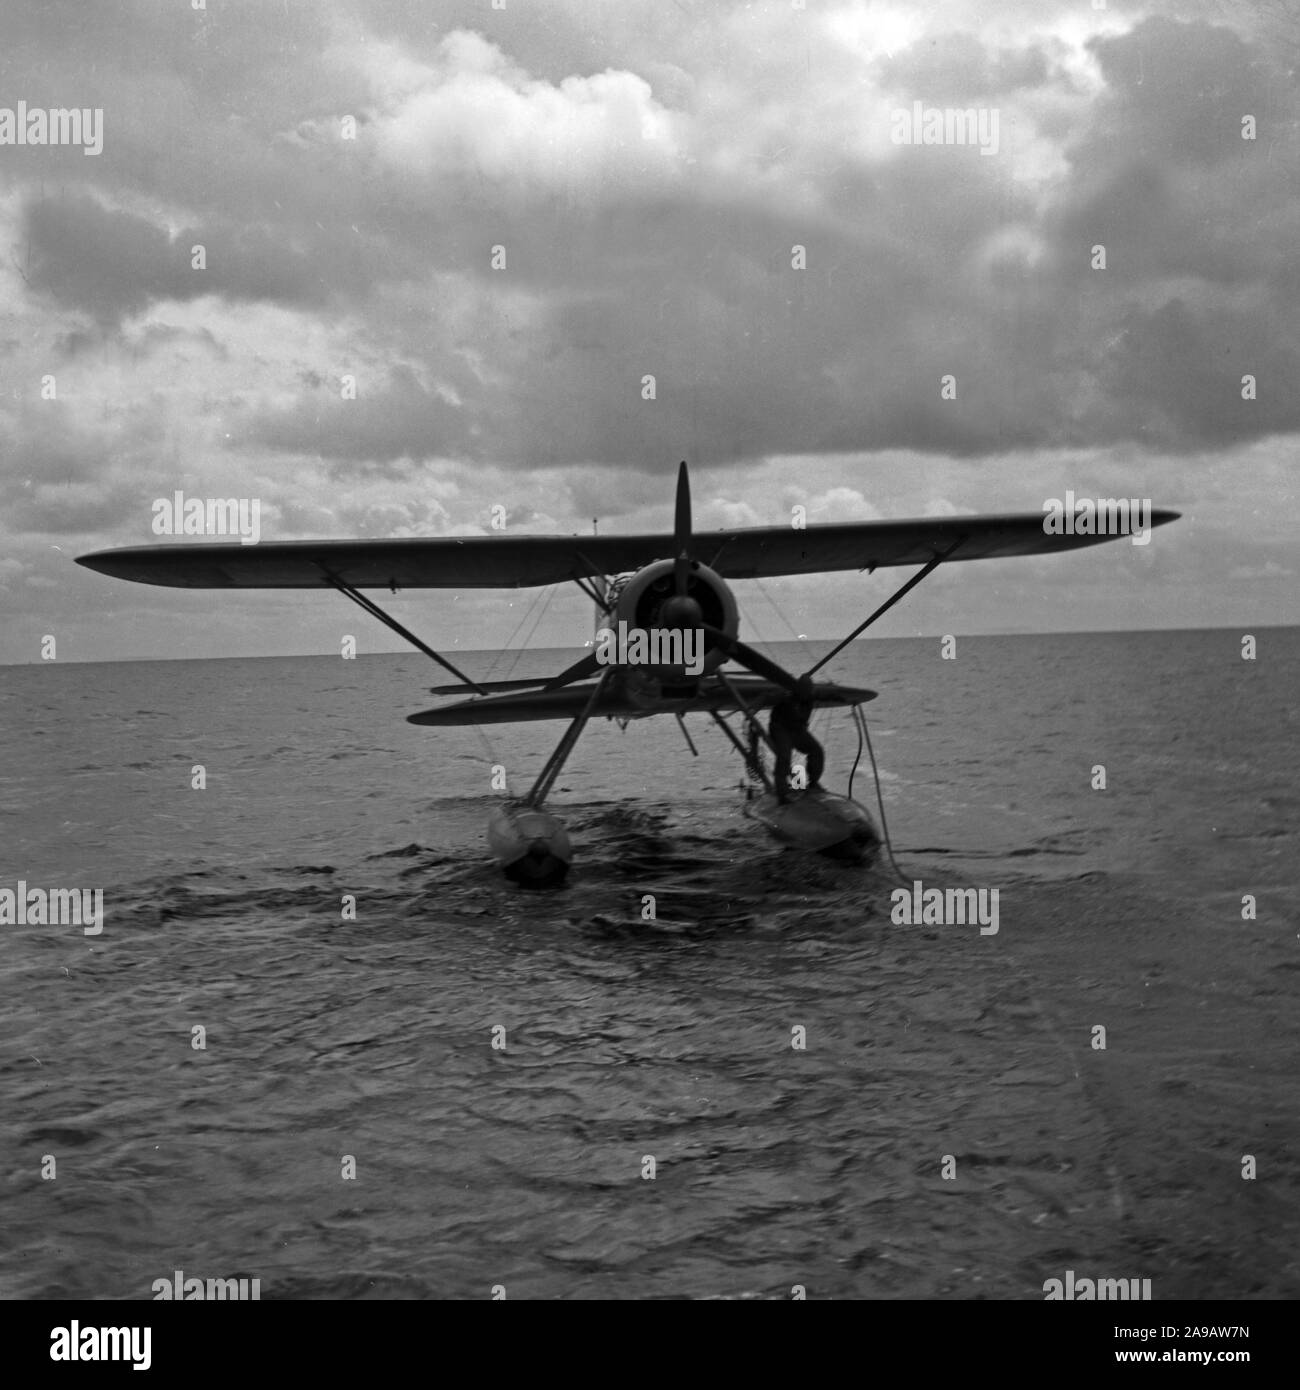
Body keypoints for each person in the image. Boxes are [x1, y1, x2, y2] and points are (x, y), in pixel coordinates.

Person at [768, 674, 824, 803]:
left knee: (817, 751)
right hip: (780, 729)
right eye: (803, 690)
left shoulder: (810, 697)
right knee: (784, 756)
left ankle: (813, 783)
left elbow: (822, 695)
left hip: (797, 731)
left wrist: (838, 697)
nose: (806, 694)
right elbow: (768, 697)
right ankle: (782, 794)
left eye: (808, 691)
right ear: (798, 689)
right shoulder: (786, 696)